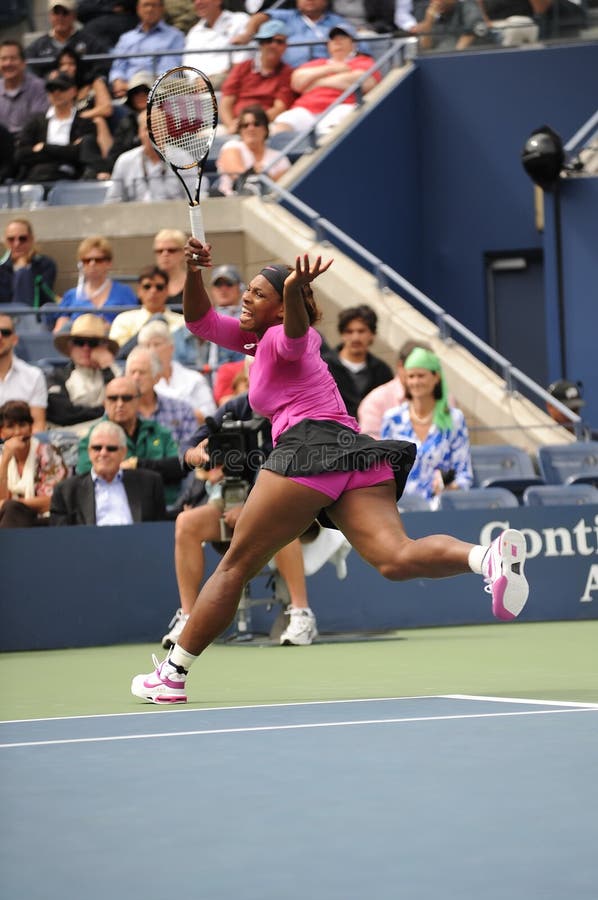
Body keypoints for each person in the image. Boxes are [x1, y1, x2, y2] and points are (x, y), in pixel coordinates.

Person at [131, 241, 530, 703]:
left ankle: (173, 675)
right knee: (395, 559)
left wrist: (297, 294)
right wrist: (193, 272)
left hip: (308, 448)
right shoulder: (253, 339)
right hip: (354, 452)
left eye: (259, 294)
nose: (246, 297)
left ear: (281, 308)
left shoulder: (283, 338)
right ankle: (488, 558)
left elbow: (296, 333)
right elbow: (199, 320)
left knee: (236, 564)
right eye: (249, 290)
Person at [165, 395, 318, 649]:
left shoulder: (297, 405)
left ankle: (302, 613)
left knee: (279, 520)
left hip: (292, 501)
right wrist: (196, 454)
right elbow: (189, 448)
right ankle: (189, 618)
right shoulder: (235, 408)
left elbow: (300, 469)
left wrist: (250, 509)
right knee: (186, 523)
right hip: (235, 498)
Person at [380, 347, 473, 506]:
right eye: (411, 376)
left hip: (442, 507)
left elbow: (464, 473)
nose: (415, 382)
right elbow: (383, 471)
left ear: (436, 377)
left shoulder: (455, 418)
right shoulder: (392, 419)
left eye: (421, 375)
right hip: (401, 507)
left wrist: (448, 489)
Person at [77, 374, 185, 504]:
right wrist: (153, 471)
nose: (120, 404)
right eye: (113, 398)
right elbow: (87, 475)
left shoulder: (159, 432)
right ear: (104, 403)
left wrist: (136, 464)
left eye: (126, 398)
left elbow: (178, 467)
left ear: (139, 401)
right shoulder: (93, 438)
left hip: (159, 507)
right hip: (110, 504)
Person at [271, 24, 380, 138]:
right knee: (282, 124)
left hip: (341, 106)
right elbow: (296, 82)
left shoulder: (363, 61)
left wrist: (316, 82)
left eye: (342, 38)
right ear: (328, 45)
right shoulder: (316, 63)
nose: (337, 42)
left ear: (353, 43)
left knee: (331, 128)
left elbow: (366, 82)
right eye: (333, 39)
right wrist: (332, 68)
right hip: (306, 109)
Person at [50, 419, 167, 525]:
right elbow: (62, 540)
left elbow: (160, 530)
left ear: (123, 452)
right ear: (89, 451)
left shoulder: (149, 484)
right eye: (97, 448)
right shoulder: (66, 492)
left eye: (111, 448)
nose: (103, 453)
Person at [13, 72, 100, 186]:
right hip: (35, 178)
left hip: (70, 179)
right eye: (51, 89)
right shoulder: (36, 122)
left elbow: (80, 154)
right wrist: (66, 150)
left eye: (61, 88)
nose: (56, 93)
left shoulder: (84, 123)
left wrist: (44, 147)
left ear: (73, 91)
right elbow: (21, 154)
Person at [46, 313, 120, 433]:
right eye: (80, 342)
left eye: (93, 343)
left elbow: (122, 403)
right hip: (69, 439)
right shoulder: (57, 377)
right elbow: (64, 414)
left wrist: (107, 367)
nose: (86, 348)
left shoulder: (114, 372)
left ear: (103, 347)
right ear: (70, 347)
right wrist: (103, 410)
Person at [219, 20, 296, 135]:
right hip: (234, 123)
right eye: (268, 40)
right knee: (203, 137)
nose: (273, 45)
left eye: (279, 41)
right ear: (260, 44)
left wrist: (250, 124)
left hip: (265, 125)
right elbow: (226, 102)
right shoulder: (242, 68)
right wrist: (231, 125)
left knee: (280, 131)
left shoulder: (287, 73)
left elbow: (279, 108)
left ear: (285, 46)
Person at [0, 399, 67, 528]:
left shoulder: (48, 453)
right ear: (1, 433)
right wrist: (5, 461)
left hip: (42, 521)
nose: (18, 432)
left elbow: (52, 501)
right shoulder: (1, 456)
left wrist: (14, 504)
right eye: (11, 426)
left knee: (11, 508)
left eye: (22, 424)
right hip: (8, 520)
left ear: (31, 428)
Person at [233, 0, 354, 69]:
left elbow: (354, 52)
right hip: (288, 74)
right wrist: (247, 34)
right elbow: (260, 17)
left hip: (325, 71)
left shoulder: (338, 22)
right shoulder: (288, 16)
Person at [136, 319, 217, 423]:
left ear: (171, 348)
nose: (152, 350)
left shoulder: (194, 378)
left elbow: (210, 415)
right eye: (146, 346)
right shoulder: (138, 383)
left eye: (156, 344)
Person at [104, 110, 194, 203]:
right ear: (139, 133)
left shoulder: (183, 159)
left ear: (166, 132)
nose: (152, 134)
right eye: (147, 129)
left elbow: (198, 195)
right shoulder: (125, 161)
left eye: (157, 128)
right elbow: (113, 202)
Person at [51, 236, 137, 332]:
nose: (92, 264)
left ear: (109, 263)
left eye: (98, 260)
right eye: (87, 261)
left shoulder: (124, 292)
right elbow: (59, 329)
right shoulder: (71, 296)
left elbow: (133, 324)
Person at [322, 303, 393, 417]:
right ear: (342, 334)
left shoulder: (382, 371)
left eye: (361, 331)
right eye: (349, 332)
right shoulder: (323, 366)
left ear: (372, 334)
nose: (355, 338)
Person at [52, 47, 114, 168]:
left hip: (89, 124)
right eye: (62, 64)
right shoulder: (55, 88)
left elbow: (106, 108)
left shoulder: (94, 82)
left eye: (71, 64)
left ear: (78, 65)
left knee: (99, 121)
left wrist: (81, 115)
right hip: (67, 124)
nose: (66, 68)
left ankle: (106, 166)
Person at [109, 0, 185, 99]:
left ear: (162, 9)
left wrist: (139, 86)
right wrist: (118, 81)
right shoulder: (126, 38)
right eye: (146, 5)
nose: (149, 9)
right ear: (138, 9)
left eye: (154, 5)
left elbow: (169, 72)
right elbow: (117, 68)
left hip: (160, 95)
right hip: (127, 95)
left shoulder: (175, 36)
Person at [124, 345, 198, 448]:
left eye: (142, 372)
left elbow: (189, 452)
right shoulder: (118, 409)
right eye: (132, 372)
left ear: (157, 378)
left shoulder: (182, 410)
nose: (136, 377)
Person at [214, 104, 292, 195]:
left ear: (265, 129)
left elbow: (284, 184)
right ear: (240, 130)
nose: (251, 128)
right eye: (245, 125)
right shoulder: (231, 146)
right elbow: (236, 175)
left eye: (256, 124)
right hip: (231, 202)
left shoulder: (280, 157)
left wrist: (258, 174)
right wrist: (258, 173)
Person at [358, 339, 428, 439]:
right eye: (415, 368)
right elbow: (371, 449)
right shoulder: (375, 401)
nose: (419, 378)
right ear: (400, 366)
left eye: (426, 370)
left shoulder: (444, 399)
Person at [109, 264, 184, 356]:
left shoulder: (182, 323)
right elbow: (117, 355)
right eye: (147, 286)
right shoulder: (123, 320)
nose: (153, 291)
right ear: (139, 291)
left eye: (159, 287)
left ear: (167, 291)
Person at [25, 0, 110, 82]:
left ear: (74, 15)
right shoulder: (37, 46)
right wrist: (47, 80)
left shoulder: (91, 42)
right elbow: (28, 71)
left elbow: (103, 66)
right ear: (50, 16)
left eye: (65, 12)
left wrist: (86, 82)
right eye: (56, 13)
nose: (60, 17)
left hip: (84, 92)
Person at [182, 0, 251, 90]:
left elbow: (242, 61)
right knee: (162, 84)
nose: (198, 2)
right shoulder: (194, 31)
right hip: (196, 83)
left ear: (218, 1)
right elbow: (188, 63)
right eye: (195, 0)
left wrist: (210, 80)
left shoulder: (240, 20)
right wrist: (197, 79)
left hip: (228, 79)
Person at [0, 314, 48, 431]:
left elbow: (38, 425)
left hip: (21, 445)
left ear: (15, 339)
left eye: (5, 332)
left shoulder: (33, 375)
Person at [0, 219, 58, 308]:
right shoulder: (2, 268)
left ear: (31, 239)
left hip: (36, 317)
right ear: (6, 242)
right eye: (11, 239)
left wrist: (24, 269)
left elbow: (45, 295)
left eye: (22, 239)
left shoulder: (45, 264)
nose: (17, 244)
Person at [0, 40, 48, 142]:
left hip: (28, 144)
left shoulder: (38, 87)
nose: (8, 63)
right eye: (3, 59)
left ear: (23, 63)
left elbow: (37, 123)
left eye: (13, 58)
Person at [409, 0, 487, 50]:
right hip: (443, 62)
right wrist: (428, 23)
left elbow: (470, 34)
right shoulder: (433, 16)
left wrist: (448, 61)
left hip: (471, 60)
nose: (437, 2)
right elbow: (426, 48)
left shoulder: (468, 7)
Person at [152, 228, 188, 306]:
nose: (165, 254)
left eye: (171, 250)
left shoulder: (193, 282)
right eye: (159, 251)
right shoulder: (147, 283)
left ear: (183, 252)